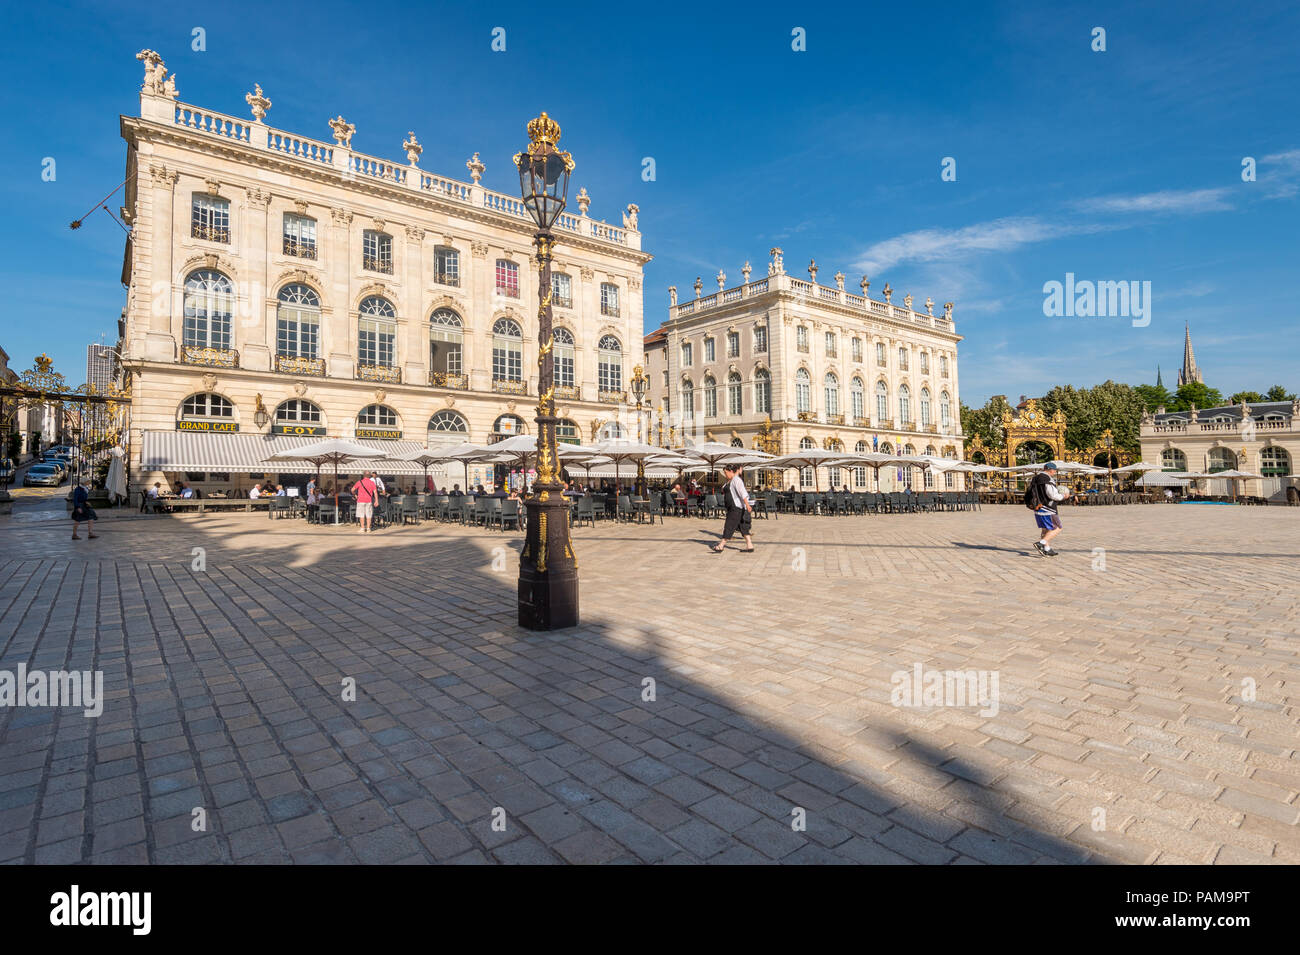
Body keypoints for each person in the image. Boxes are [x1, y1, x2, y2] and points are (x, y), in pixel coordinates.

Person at [711, 463, 754, 553]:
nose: (725, 475)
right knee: (743, 527)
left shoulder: (736, 480)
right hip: (733, 507)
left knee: (729, 525)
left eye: (726, 473)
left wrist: (747, 505)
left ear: (731, 471)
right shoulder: (730, 480)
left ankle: (721, 545)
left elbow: (743, 493)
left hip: (736, 507)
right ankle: (750, 545)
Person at [1029, 461, 1070, 556]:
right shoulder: (1047, 479)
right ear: (1051, 470)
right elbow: (1051, 494)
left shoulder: (1035, 478)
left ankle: (1047, 549)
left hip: (1038, 507)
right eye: (1054, 471)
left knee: (1045, 529)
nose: (1055, 472)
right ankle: (1041, 543)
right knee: (1058, 528)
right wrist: (1063, 496)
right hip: (1048, 508)